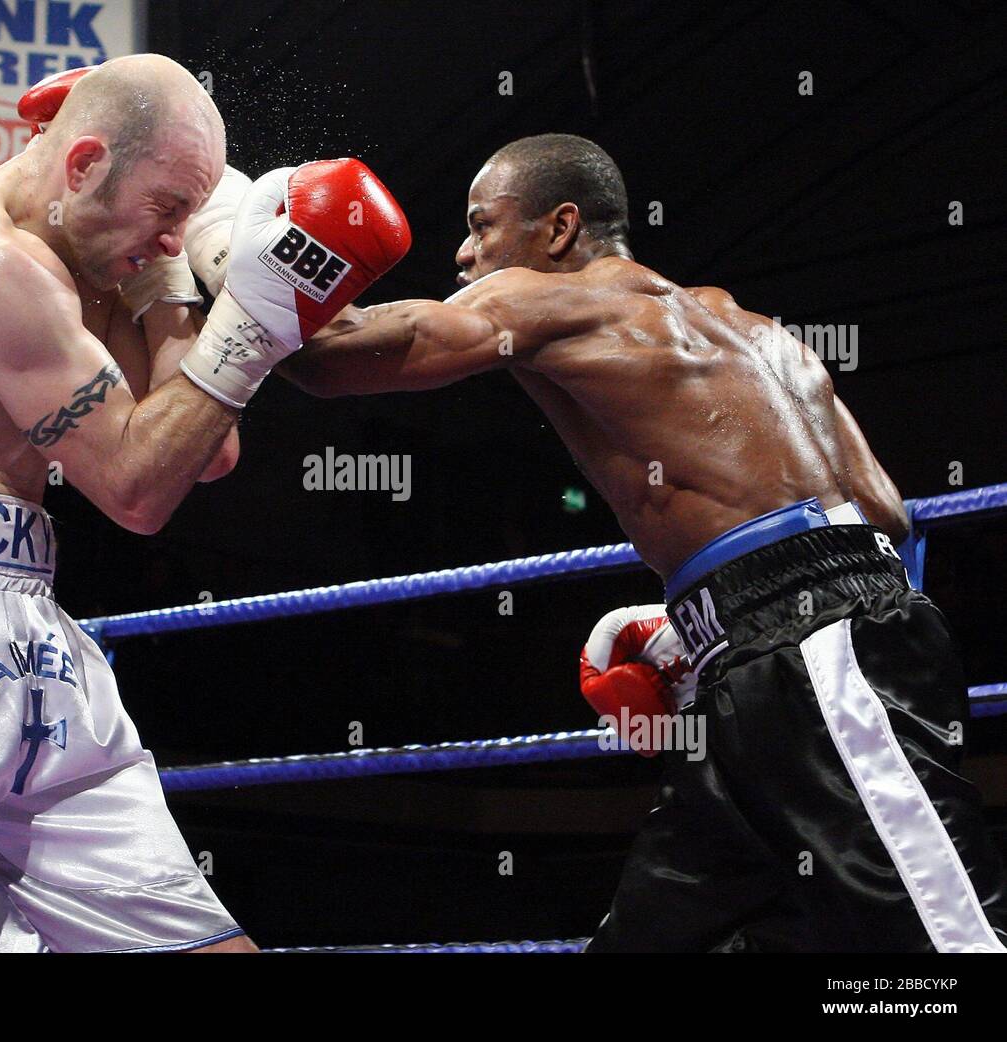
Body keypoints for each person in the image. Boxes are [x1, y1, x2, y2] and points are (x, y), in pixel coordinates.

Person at [281, 133, 1007, 952]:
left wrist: (241, 256)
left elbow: (331, 360)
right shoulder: (761, 331)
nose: (463, 253)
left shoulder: (537, 298)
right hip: (796, 650)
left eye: (482, 226)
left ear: (558, 230)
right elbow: (887, 519)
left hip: (816, 659)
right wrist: (704, 619)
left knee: (945, 947)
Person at [0, 54, 409, 952]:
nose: (181, 236)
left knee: (193, 940)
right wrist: (251, 321)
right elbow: (137, 492)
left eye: (192, 212)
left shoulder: (88, 270)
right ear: (84, 162)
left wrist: (165, 283)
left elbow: (203, 451)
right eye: (170, 208)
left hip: (26, 628)